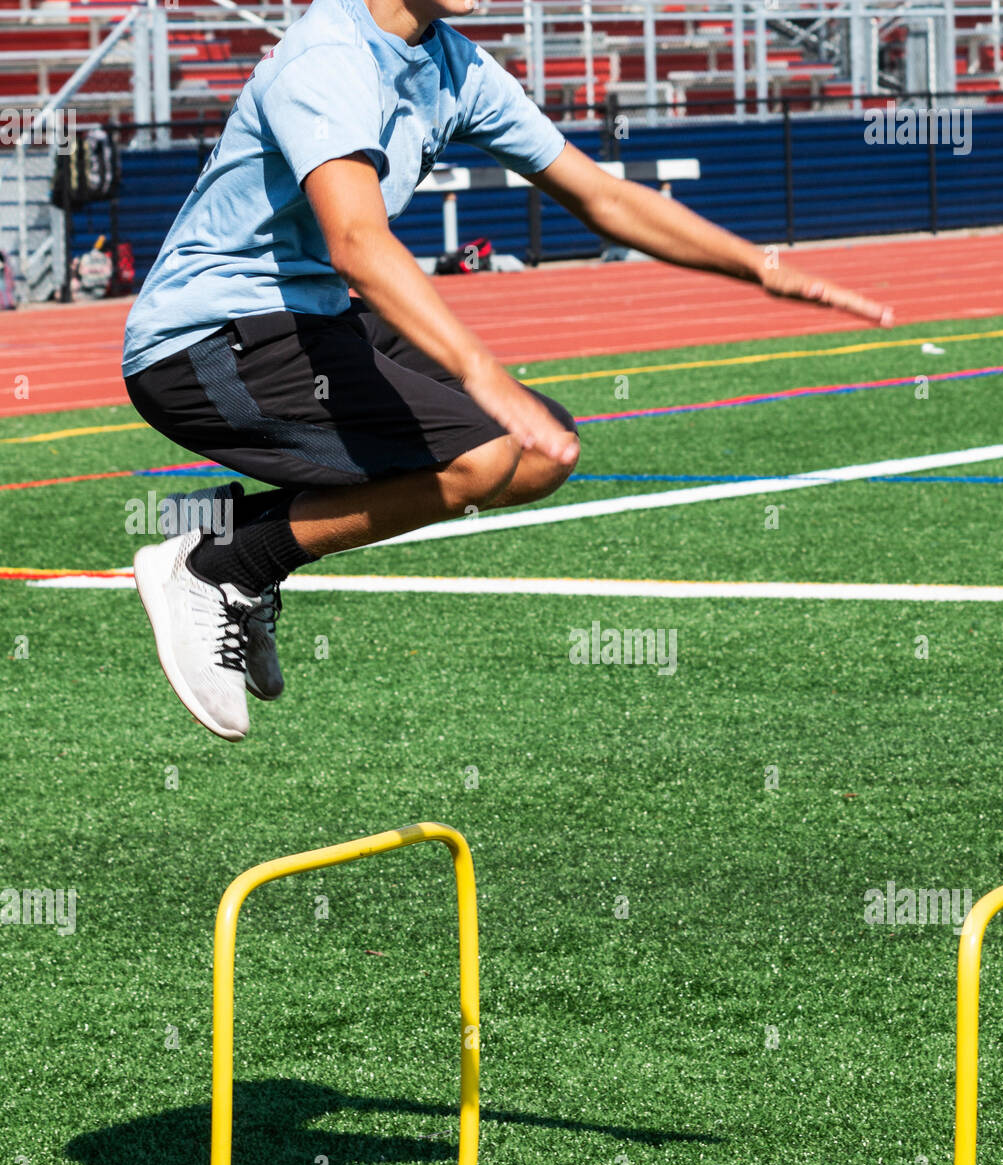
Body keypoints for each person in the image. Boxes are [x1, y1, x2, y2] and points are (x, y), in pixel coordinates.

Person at [124, 0, 892, 740]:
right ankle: (224, 566)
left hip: (309, 319)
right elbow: (355, 241)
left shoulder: (452, 62)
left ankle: (226, 531)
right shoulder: (328, 56)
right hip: (203, 342)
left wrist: (759, 266)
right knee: (483, 452)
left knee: (537, 451)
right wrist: (480, 370)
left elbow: (599, 195)